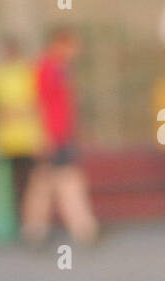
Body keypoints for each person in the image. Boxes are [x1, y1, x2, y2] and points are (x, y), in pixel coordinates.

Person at [21, 26, 99, 248]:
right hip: (52, 136)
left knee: (48, 181)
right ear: (59, 44)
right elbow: (38, 103)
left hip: (62, 135)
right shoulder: (46, 68)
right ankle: (81, 227)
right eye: (72, 45)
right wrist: (42, 134)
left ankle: (37, 229)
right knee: (62, 181)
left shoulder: (61, 69)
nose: (76, 51)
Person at [0, 35, 44, 227]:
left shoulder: (27, 72)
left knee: (29, 182)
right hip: (7, 139)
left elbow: (36, 102)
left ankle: (30, 222)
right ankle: (15, 223)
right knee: (11, 184)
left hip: (26, 138)